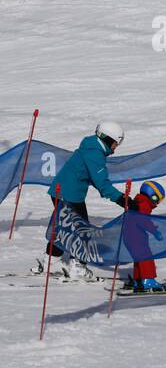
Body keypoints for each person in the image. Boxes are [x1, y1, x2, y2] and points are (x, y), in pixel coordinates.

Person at [37, 121, 128, 282]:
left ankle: (51, 261)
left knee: (63, 227)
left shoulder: (91, 147)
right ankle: (78, 267)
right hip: (69, 195)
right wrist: (122, 199)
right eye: (115, 143)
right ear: (107, 139)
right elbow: (102, 183)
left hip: (62, 192)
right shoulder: (95, 154)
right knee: (83, 232)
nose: (116, 147)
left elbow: (92, 177)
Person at [122, 180, 166, 292]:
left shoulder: (138, 202)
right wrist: (155, 232)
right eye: (158, 199)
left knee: (139, 258)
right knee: (146, 257)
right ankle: (148, 280)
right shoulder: (144, 205)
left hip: (129, 236)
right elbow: (144, 221)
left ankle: (138, 280)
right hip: (136, 237)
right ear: (152, 195)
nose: (157, 203)